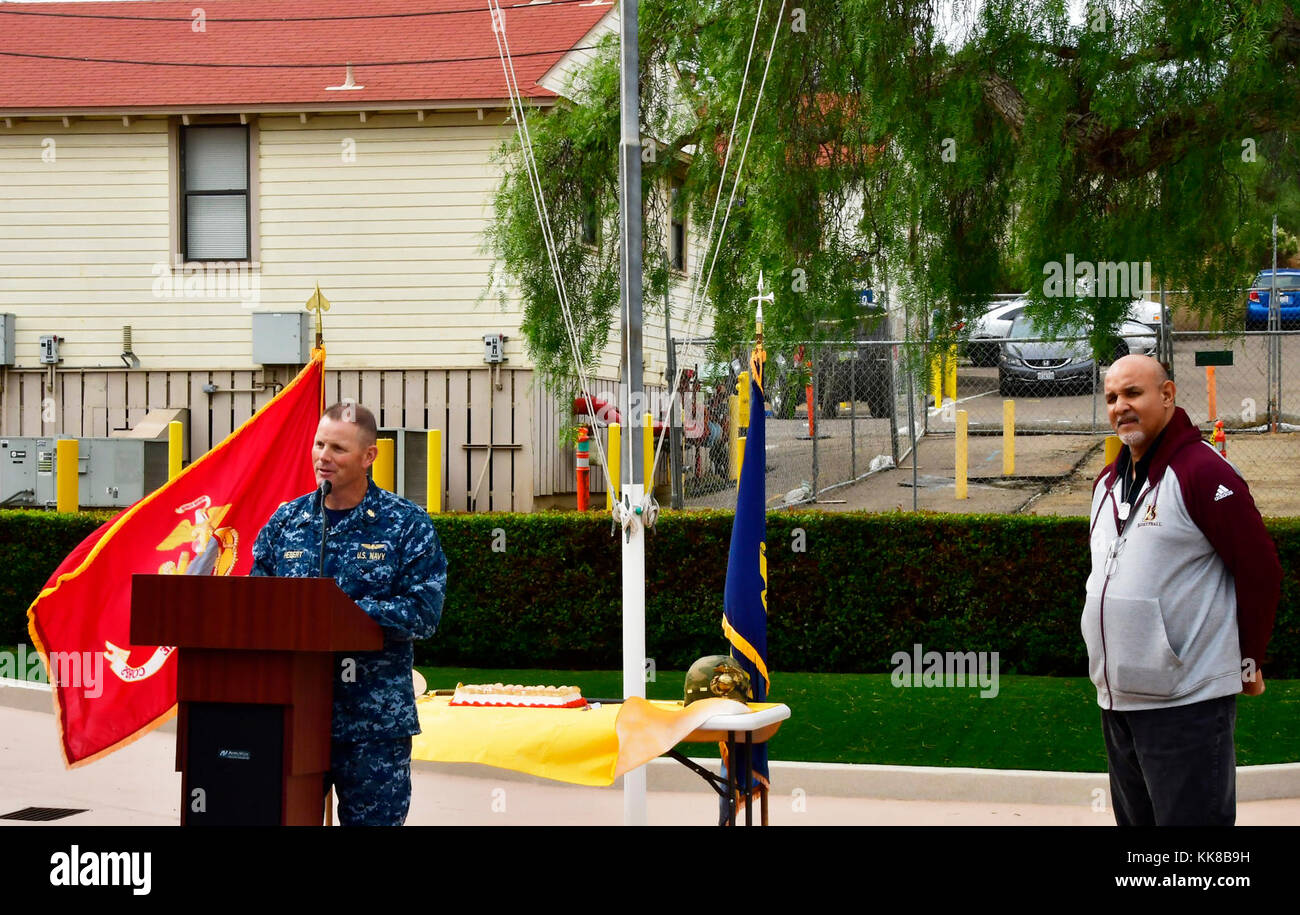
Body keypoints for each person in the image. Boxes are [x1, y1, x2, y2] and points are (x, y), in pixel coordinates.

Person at [1083, 355, 1280, 826]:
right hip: (1118, 702)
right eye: (1111, 398)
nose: (1120, 407)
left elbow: (1261, 570)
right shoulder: (1107, 482)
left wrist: (1248, 661)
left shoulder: (1201, 472)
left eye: (1133, 393)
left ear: (1167, 396)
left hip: (1187, 705)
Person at [251, 402, 447, 826]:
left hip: (372, 726)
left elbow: (423, 612)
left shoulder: (405, 524)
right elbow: (255, 604)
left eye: (338, 448)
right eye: (319, 444)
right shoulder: (288, 522)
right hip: (293, 716)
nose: (323, 456)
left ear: (368, 456)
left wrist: (343, 614)